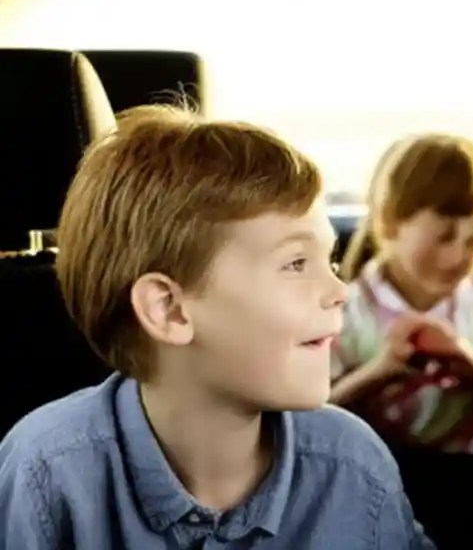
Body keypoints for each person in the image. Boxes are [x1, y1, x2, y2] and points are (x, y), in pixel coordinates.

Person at [0, 106, 433, 549]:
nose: (340, 290)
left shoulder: (354, 467)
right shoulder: (46, 474)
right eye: (296, 264)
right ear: (169, 310)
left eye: (332, 261)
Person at [330, 133, 473, 454]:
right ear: (389, 224)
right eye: (443, 237)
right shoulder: (348, 305)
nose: (458, 256)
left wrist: (470, 368)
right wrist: (380, 371)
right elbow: (308, 417)